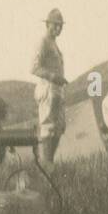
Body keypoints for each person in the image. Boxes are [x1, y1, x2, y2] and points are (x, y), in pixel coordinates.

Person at [30, 8, 67, 166]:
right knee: (48, 126)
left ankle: (49, 163)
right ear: (47, 24)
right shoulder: (43, 41)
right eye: (55, 25)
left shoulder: (53, 43)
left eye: (60, 25)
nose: (58, 28)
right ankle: (46, 165)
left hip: (56, 89)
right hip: (47, 88)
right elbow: (34, 67)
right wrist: (53, 77)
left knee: (59, 127)